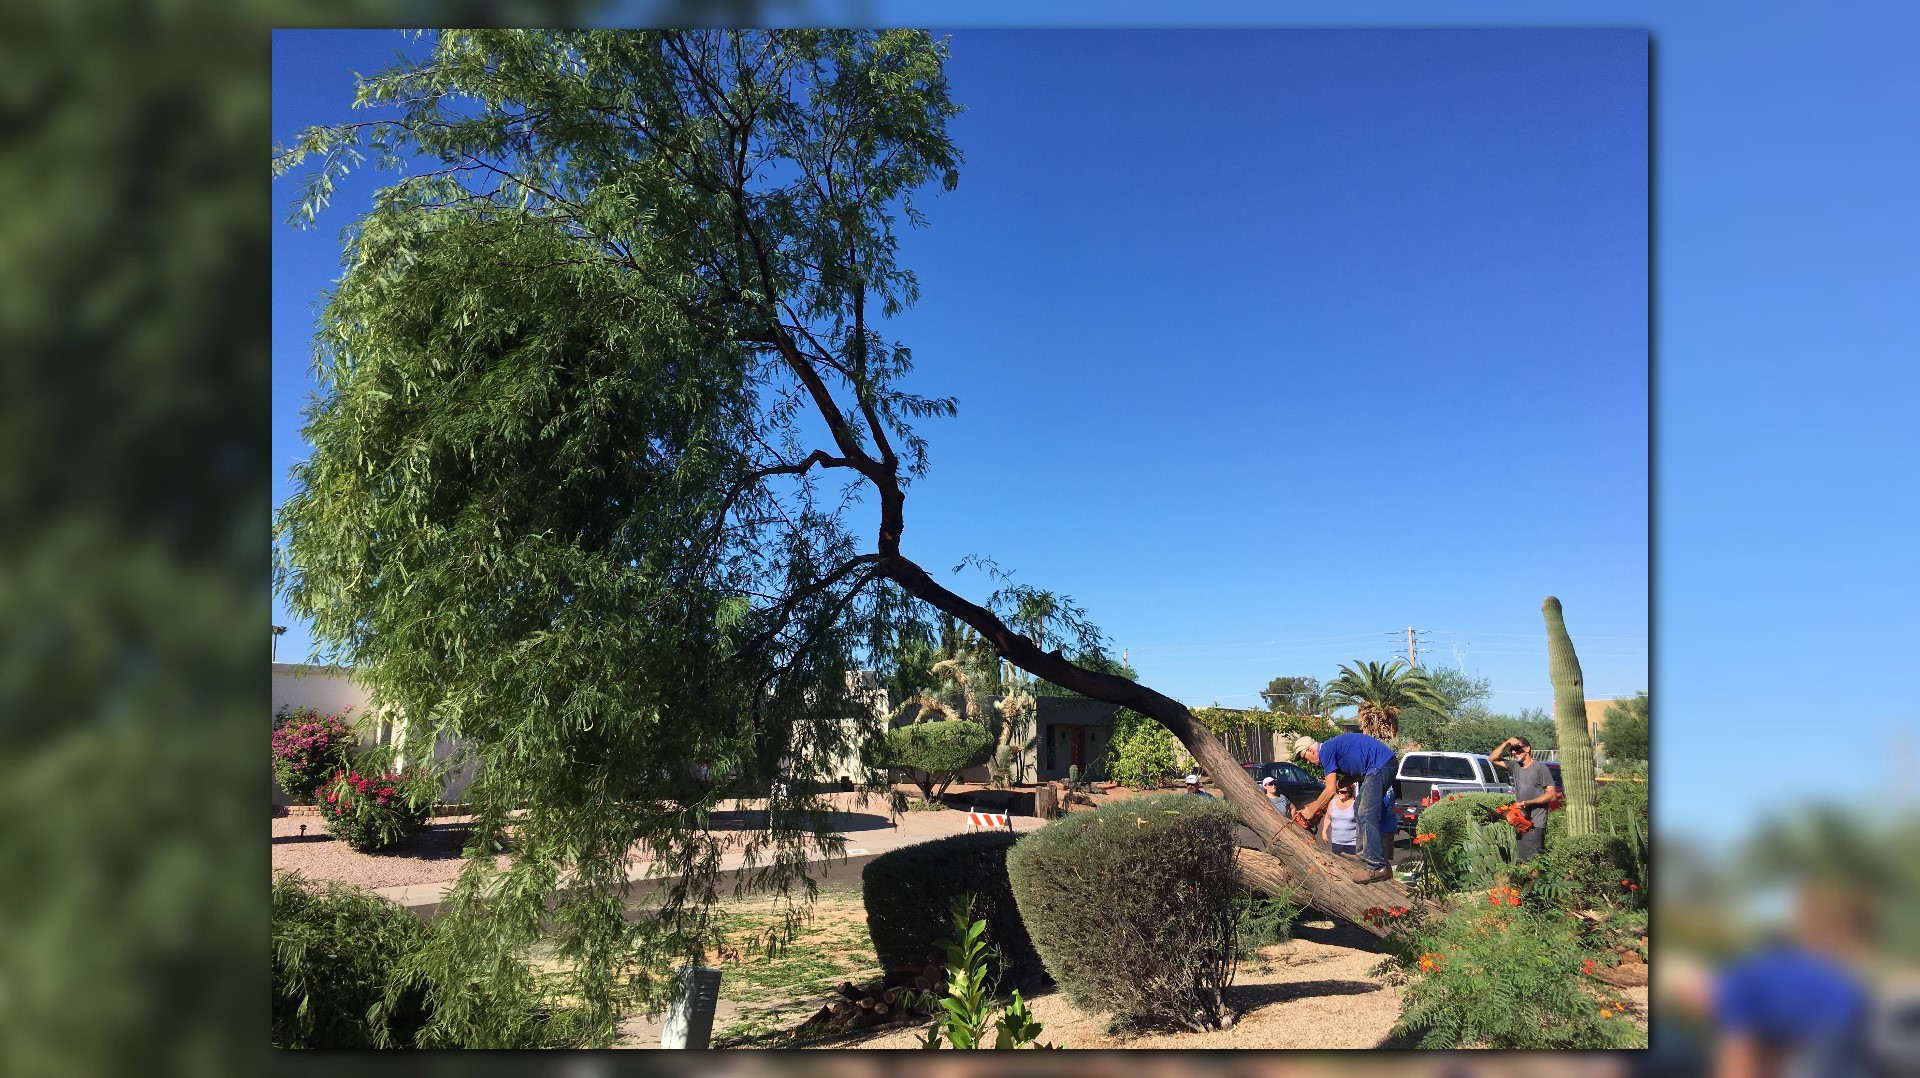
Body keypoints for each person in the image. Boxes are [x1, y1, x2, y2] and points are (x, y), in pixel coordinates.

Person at [1293, 731, 1397, 883]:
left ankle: (1377, 867)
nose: (1307, 762)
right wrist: (1337, 786)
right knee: (1358, 809)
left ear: (1311, 751)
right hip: (1377, 767)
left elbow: (1329, 790)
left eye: (1304, 758)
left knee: (1366, 814)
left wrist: (1310, 811)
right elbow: (1355, 775)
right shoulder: (1332, 750)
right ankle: (1364, 856)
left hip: (1380, 765)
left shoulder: (1326, 750)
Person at [1489, 735, 1555, 863]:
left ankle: (1535, 876)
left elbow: (1552, 794)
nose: (1514, 752)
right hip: (1521, 822)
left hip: (1536, 823)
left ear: (1527, 749)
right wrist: (1507, 743)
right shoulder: (1515, 766)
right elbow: (1492, 758)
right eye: (1512, 750)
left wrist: (1529, 802)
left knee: (1533, 861)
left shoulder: (1540, 768)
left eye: (1517, 749)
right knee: (1522, 859)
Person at [1319, 779, 1361, 855]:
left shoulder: (1355, 804)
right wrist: (1324, 831)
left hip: (1352, 843)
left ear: (1348, 792)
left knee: (1351, 862)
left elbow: (1361, 821)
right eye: (1338, 791)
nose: (1340, 793)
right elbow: (1328, 817)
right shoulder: (1332, 803)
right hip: (1336, 842)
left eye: (1343, 792)